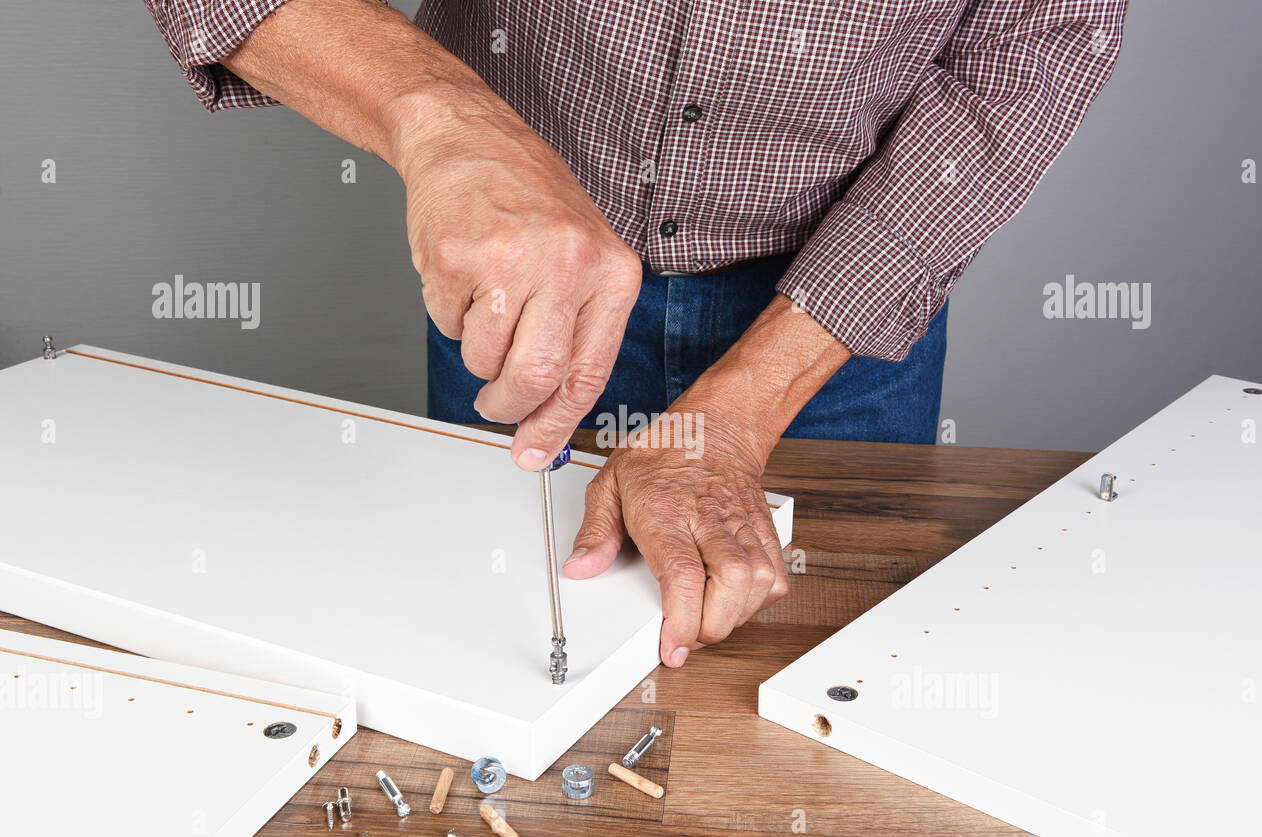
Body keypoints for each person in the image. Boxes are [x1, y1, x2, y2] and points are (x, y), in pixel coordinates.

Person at [144, 0, 1127, 667]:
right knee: (492, 643)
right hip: (523, 281)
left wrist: (748, 406)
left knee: (821, 703)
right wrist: (449, 126)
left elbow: (1037, 49)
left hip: (839, 316)